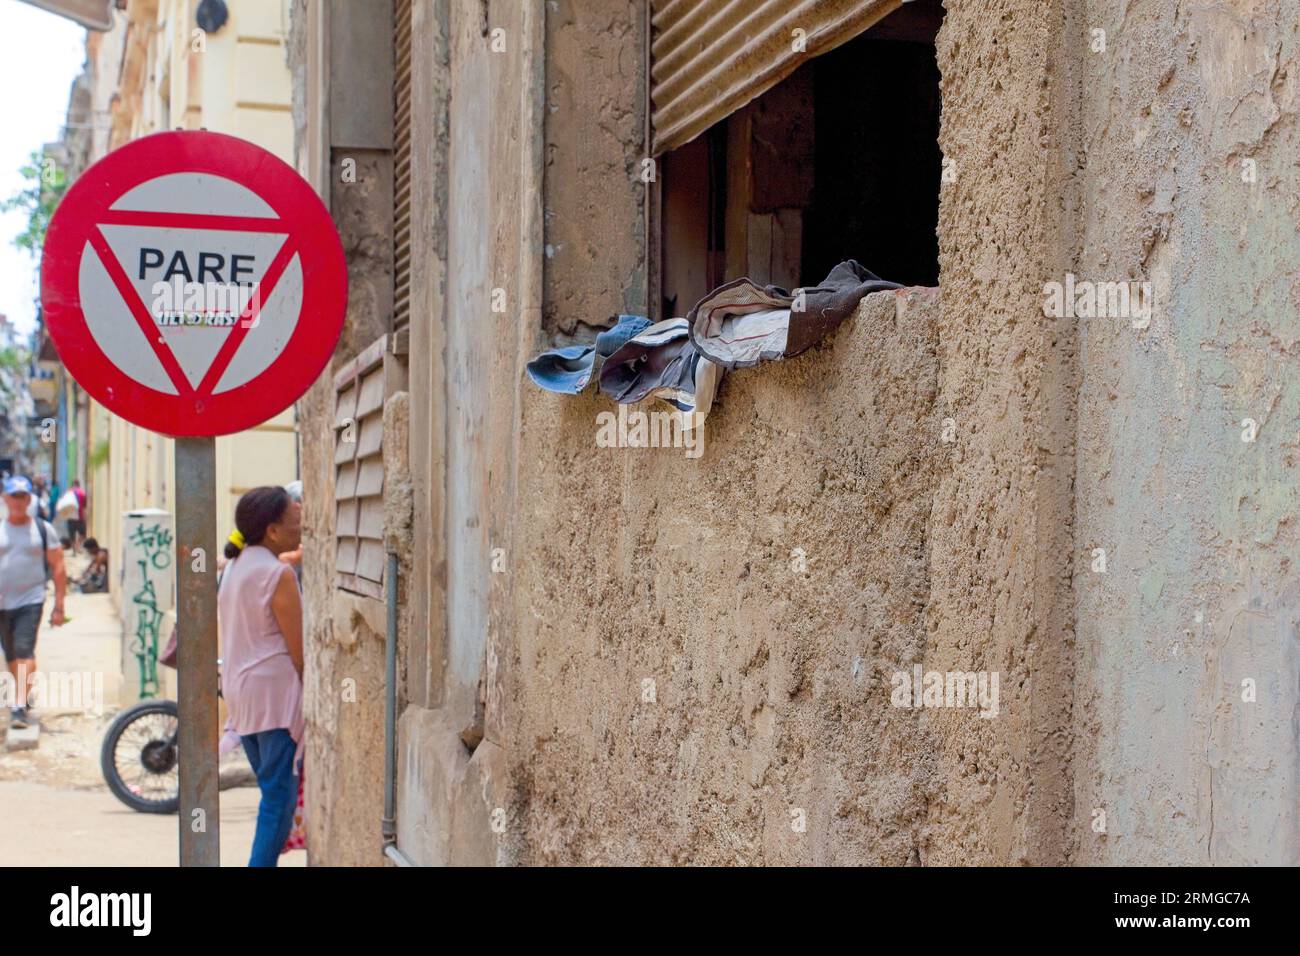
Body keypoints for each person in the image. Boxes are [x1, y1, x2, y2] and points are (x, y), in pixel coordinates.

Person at [217, 486, 304, 867]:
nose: (301, 529)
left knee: (271, 791)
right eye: (296, 522)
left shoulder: (236, 568)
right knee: (278, 798)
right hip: (274, 700)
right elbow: (299, 652)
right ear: (272, 530)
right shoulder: (277, 574)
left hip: (241, 696)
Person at [0, 476, 67, 728]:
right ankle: (22, 694)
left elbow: (58, 566)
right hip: (3, 603)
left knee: (24, 650)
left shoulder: (42, 529)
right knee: (11, 654)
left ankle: (18, 707)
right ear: (5, 499)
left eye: (22, 497)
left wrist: (59, 605)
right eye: (13, 496)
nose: (18, 501)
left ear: (29, 500)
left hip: (31, 599)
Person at [67, 480, 87, 547]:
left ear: (72, 485)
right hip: (79, 516)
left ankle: (73, 549)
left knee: (71, 534)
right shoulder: (82, 493)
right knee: (82, 533)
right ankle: (78, 545)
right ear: (79, 485)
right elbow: (84, 506)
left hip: (70, 516)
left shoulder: (69, 492)